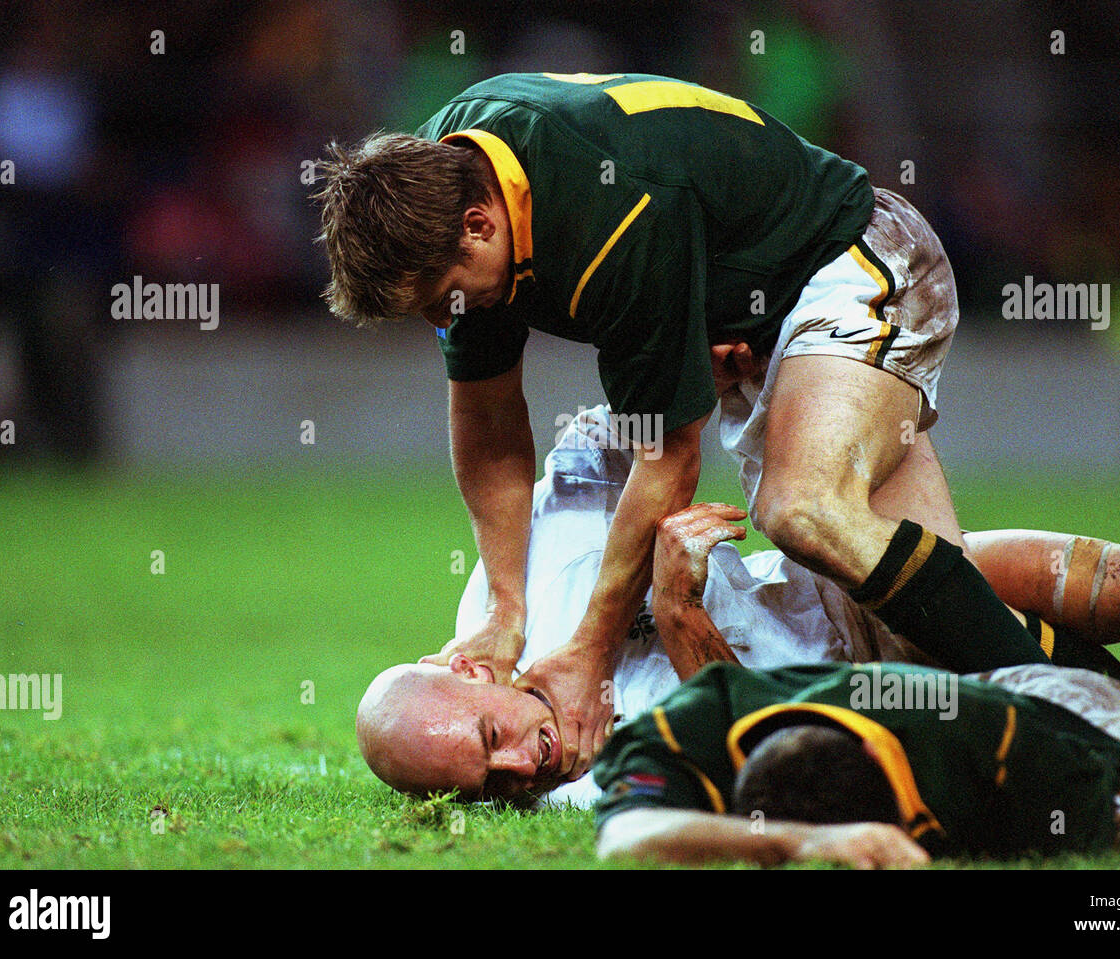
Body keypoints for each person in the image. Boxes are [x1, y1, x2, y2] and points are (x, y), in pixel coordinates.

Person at [321, 72, 1054, 779]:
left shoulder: (611, 217)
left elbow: (668, 454)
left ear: (479, 229)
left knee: (803, 511)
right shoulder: (436, 181)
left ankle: (1070, 727)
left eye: (440, 298)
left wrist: (590, 651)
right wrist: (505, 611)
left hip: (853, 256)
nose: (438, 322)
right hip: (754, 324)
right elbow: (485, 420)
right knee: (929, 654)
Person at [356, 406, 1120, 805]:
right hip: (871, 701)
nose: (521, 767)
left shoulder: (507, 588)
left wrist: (662, 446)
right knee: (1091, 721)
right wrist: (679, 624)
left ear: (470, 668)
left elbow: (598, 441)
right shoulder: (576, 794)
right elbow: (769, 752)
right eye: (489, 789)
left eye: (490, 740)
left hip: (841, 583)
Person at [592, 660, 1120, 867]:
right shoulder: (689, 723)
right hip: (954, 699)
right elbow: (623, 840)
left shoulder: (985, 750)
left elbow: (1088, 811)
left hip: (1063, 724)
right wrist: (808, 840)